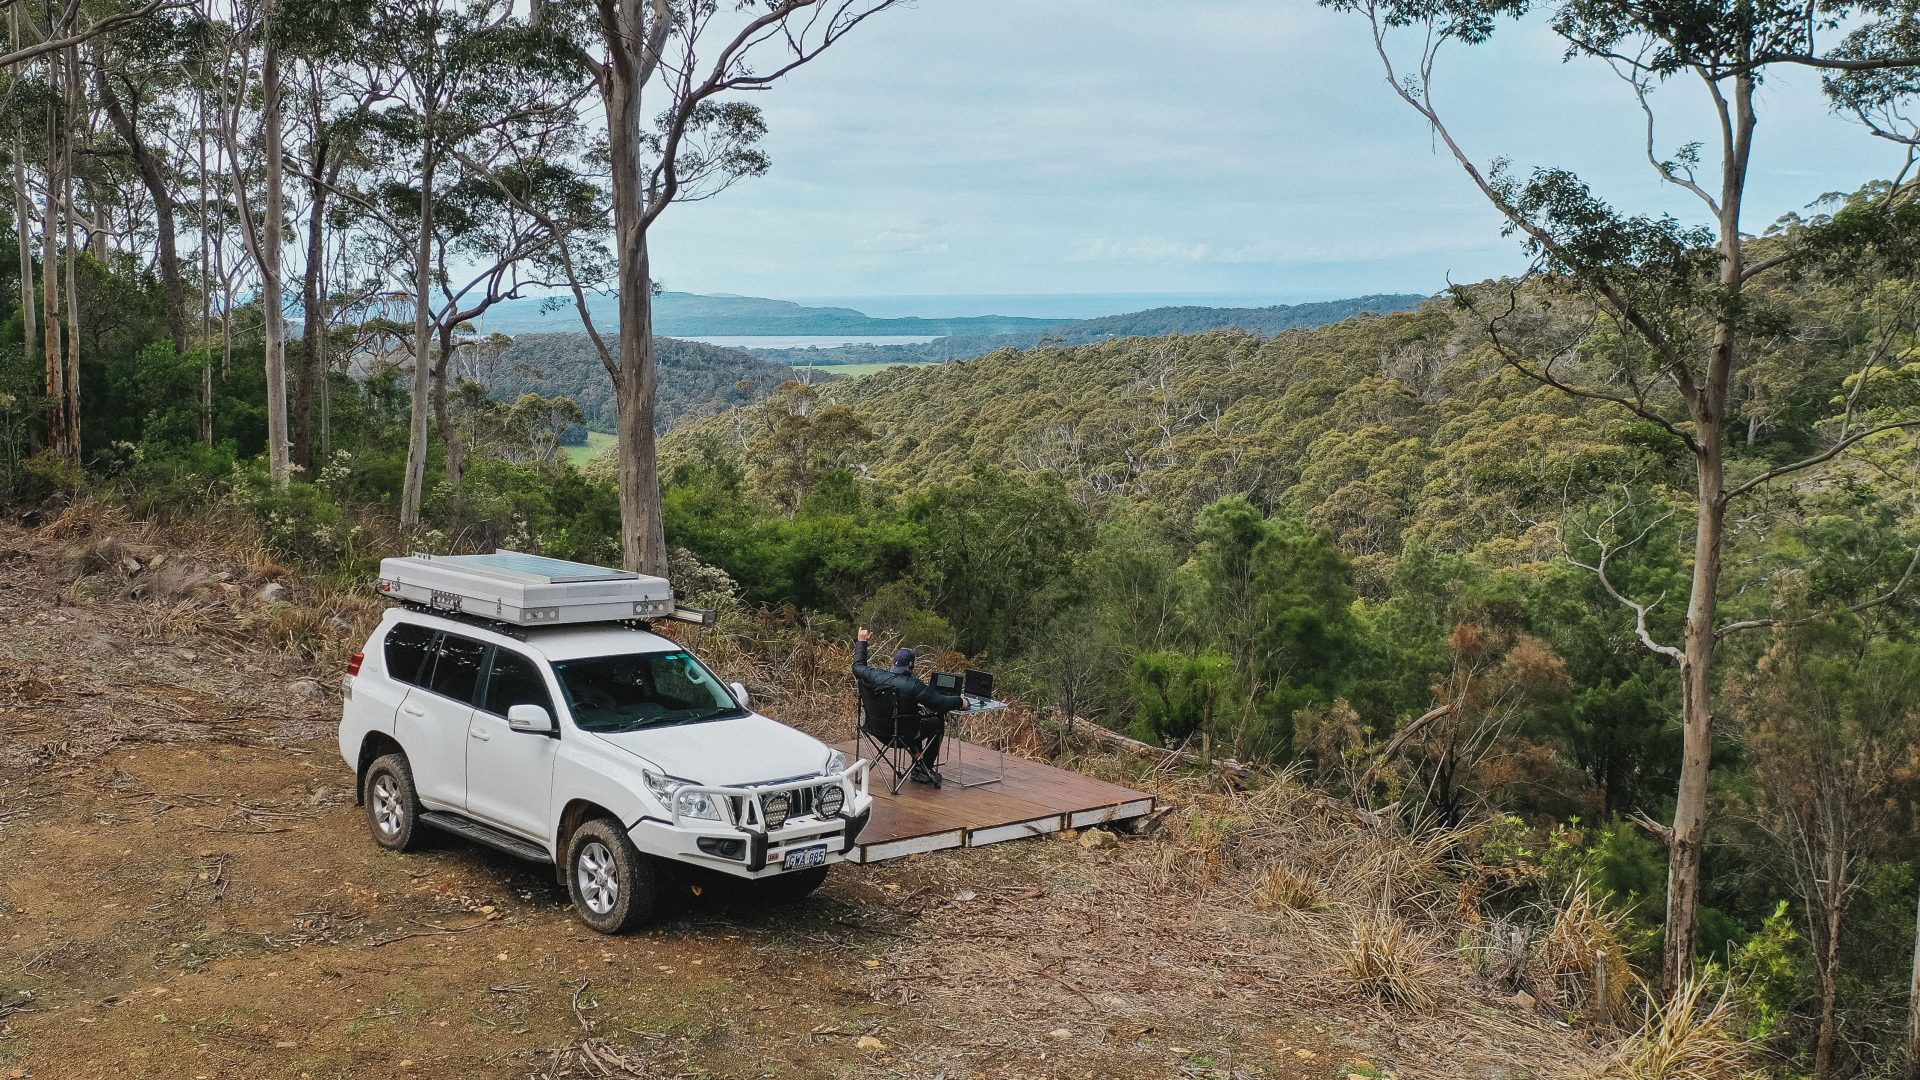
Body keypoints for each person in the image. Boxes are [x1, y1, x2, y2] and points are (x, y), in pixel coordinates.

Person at [852, 627, 967, 784]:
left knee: (912, 718)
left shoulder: (875, 675)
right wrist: (961, 701)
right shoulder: (913, 685)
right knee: (936, 722)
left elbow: (858, 666)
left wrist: (862, 641)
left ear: (894, 663)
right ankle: (923, 768)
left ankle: (918, 762)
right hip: (902, 736)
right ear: (911, 666)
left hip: (876, 731)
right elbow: (941, 704)